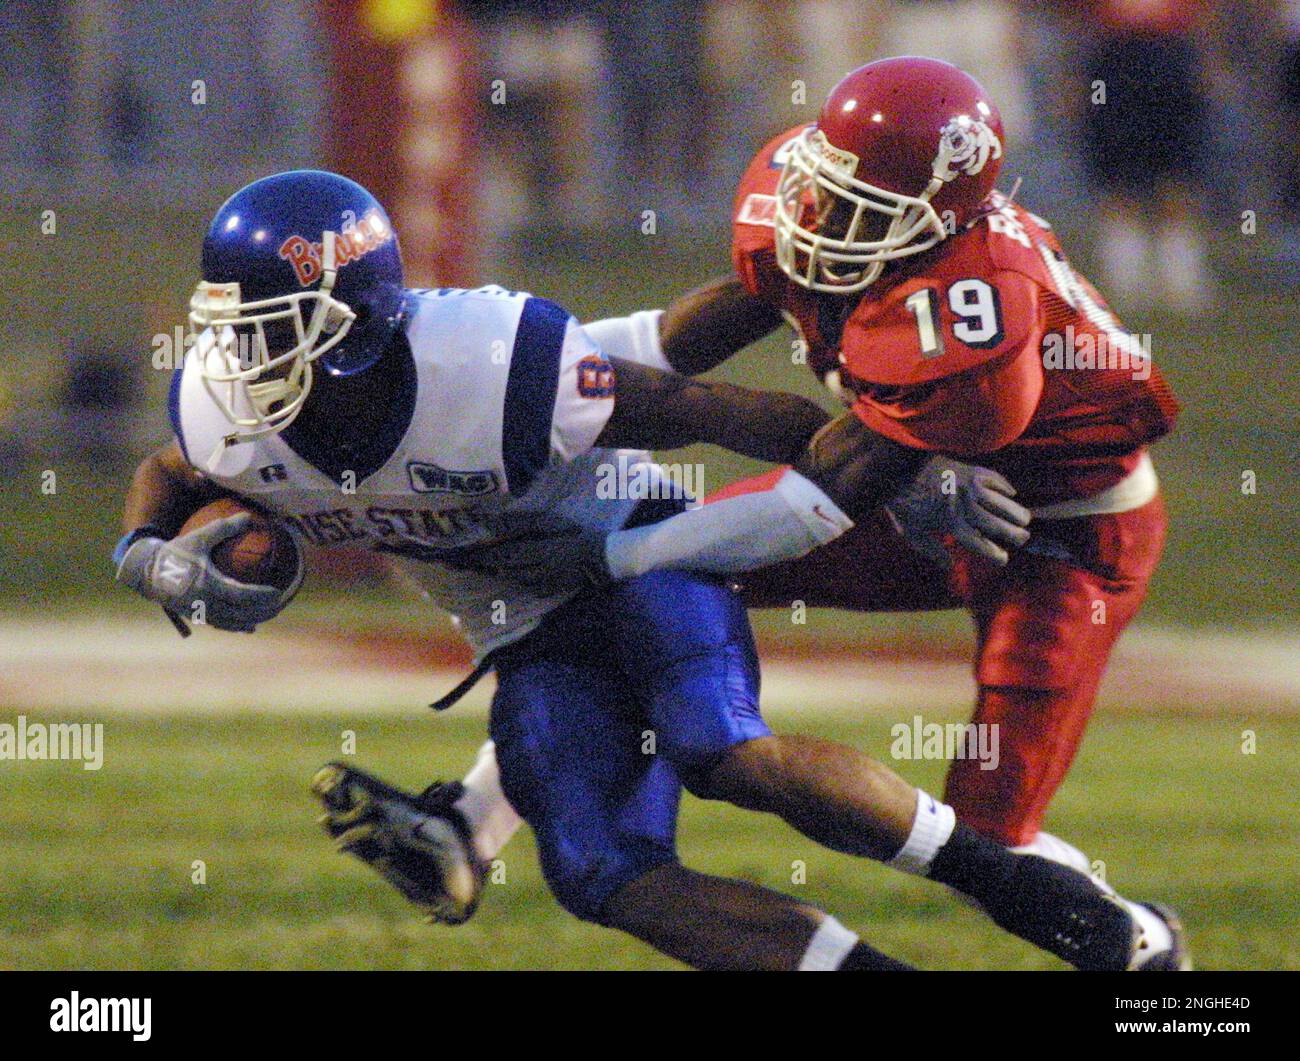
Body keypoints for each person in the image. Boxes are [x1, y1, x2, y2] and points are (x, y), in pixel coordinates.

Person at [113, 169, 1183, 970]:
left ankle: (1004, 878)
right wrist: (149, 556)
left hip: (634, 548)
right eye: (236, 330)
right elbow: (169, 474)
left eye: (275, 329)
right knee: (600, 873)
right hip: (526, 616)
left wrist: (894, 471)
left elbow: (717, 408)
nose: (245, 361)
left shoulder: (489, 367)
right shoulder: (223, 410)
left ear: (355, 321)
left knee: (719, 747)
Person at [424, 57, 1186, 964]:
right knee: (661, 586)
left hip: (1066, 536)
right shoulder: (808, 206)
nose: (828, 216)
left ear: (942, 225)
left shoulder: (973, 315)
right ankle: (471, 819)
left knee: (994, 831)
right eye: (832, 184)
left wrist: (617, 558)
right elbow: (693, 332)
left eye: (869, 207)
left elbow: (816, 501)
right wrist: (532, 379)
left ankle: (1144, 950)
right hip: (914, 494)